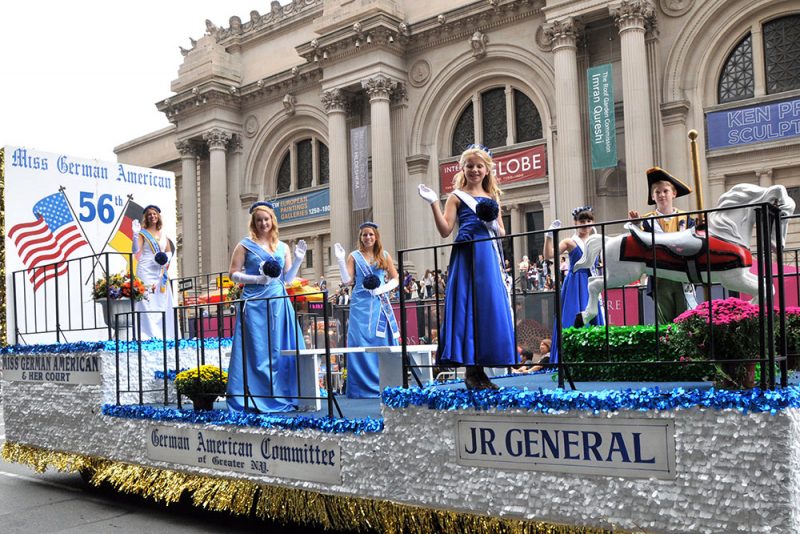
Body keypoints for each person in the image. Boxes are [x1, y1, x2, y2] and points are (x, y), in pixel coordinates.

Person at [418, 144, 516, 390]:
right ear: (463, 168)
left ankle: (481, 369)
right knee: (468, 308)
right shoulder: (456, 196)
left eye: (479, 166)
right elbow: (445, 231)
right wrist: (433, 204)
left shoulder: (493, 198)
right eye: (470, 165)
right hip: (466, 256)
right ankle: (472, 371)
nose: (474, 170)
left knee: (488, 309)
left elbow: (502, 233)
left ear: (487, 170)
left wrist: (491, 221)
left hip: (488, 257)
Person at [225, 201, 307, 413]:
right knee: (258, 350)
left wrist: (297, 260)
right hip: (254, 303)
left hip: (278, 302)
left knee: (280, 348)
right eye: (259, 220)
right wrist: (257, 279)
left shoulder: (283, 247)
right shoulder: (244, 245)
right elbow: (233, 274)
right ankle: (256, 394)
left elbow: (287, 279)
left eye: (266, 219)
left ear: (272, 221)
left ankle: (285, 392)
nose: (263, 223)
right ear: (254, 222)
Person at [334, 222, 400, 398]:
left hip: (379, 303)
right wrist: (340, 260)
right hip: (360, 304)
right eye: (364, 235)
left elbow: (395, 278)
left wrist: (382, 289)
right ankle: (361, 387)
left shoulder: (384, 255)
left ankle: (386, 383)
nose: (368, 237)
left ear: (376, 236)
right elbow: (347, 280)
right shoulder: (354, 256)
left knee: (380, 339)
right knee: (359, 340)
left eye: (371, 234)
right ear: (360, 237)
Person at [628, 167, 696, 324]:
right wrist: (637, 225)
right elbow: (639, 245)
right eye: (657, 192)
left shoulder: (687, 218)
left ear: (674, 193)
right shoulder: (646, 220)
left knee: (686, 322)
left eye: (665, 191)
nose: (662, 195)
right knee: (664, 324)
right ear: (652, 196)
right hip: (660, 277)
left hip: (682, 277)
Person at [544, 206, 605, 364]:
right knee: (572, 316)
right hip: (575, 283)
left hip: (591, 281)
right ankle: (569, 358)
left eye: (588, 221)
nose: (585, 224)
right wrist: (549, 236)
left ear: (593, 222)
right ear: (575, 222)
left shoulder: (597, 240)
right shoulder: (569, 242)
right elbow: (549, 255)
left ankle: (593, 358)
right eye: (582, 221)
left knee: (593, 316)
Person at [131, 205, 177, 339]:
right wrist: (135, 235)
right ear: (146, 217)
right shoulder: (142, 233)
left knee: (161, 299)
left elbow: (168, 251)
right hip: (146, 269)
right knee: (146, 300)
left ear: (158, 216)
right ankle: (146, 334)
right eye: (150, 214)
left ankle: (165, 334)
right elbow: (135, 250)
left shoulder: (163, 234)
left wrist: (165, 258)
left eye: (155, 214)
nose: (153, 216)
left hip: (159, 270)